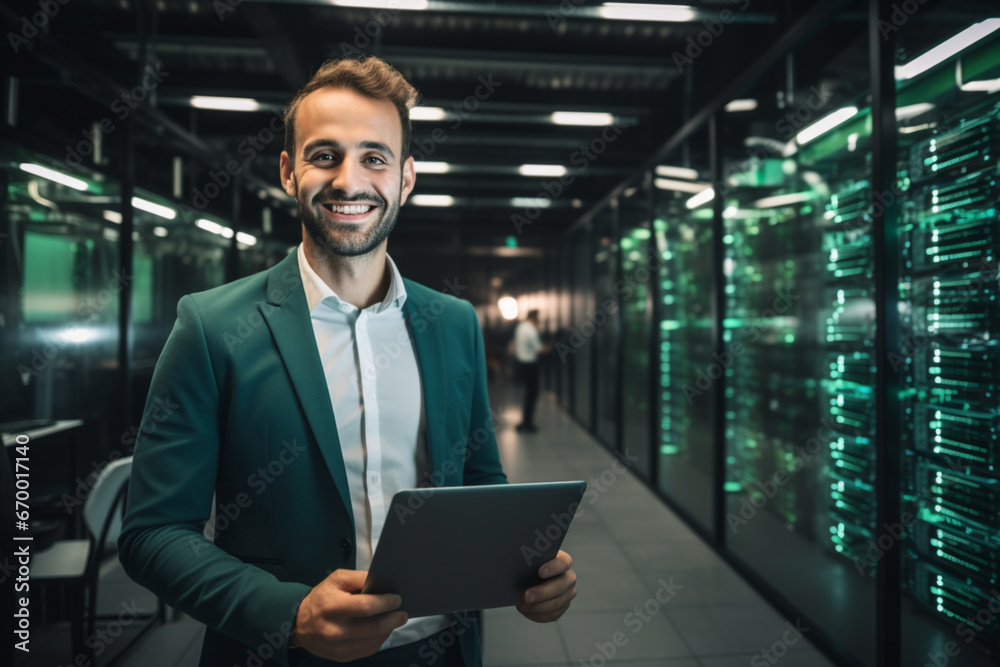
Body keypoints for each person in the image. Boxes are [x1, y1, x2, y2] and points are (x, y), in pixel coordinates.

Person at [117, 56, 577, 667]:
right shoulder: (212, 327)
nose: (348, 180)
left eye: (374, 158)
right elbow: (152, 534)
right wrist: (290, 615)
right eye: (325, 155)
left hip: (442, 651)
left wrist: (530, 565)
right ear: (289, 172)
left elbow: (481, 482)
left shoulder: (452, 323)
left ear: (405, 178)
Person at [514, 310, 545, 433]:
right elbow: (539, 349)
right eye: (538, 318)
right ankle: (527, 424)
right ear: (534, 317)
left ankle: (525, 422)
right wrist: (552, 347)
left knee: (528, 393)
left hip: (522, 363)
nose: (539, 321)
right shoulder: (531, 330)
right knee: (532, 394)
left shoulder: (521, 327)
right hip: (530, 364)